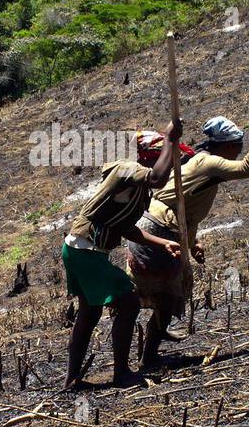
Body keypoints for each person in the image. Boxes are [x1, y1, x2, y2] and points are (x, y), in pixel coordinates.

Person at [127, 113, 249, 369]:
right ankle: (148, 355)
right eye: (237, 146)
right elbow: (247, 169)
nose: (238, 151)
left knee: (169, 294)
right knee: (166, 296)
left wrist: (192, 243)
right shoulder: (208, 163)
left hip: (160, 227)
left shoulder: (200, 161)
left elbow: (185, 205)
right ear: (226, 146)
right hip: (160, 230)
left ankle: (153, 340)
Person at [62, 121, 187, 389]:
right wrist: (170, 139)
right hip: (86, 251)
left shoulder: (136, 188)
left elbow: (127, 228)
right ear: (146, 157)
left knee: (90, 313)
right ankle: (121, 374)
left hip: (81, 249)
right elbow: (157, 178)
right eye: (161, 158)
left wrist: (163, 243)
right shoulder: (125, 169)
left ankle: (72, 379)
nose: (165, 164)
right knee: (128, 302)